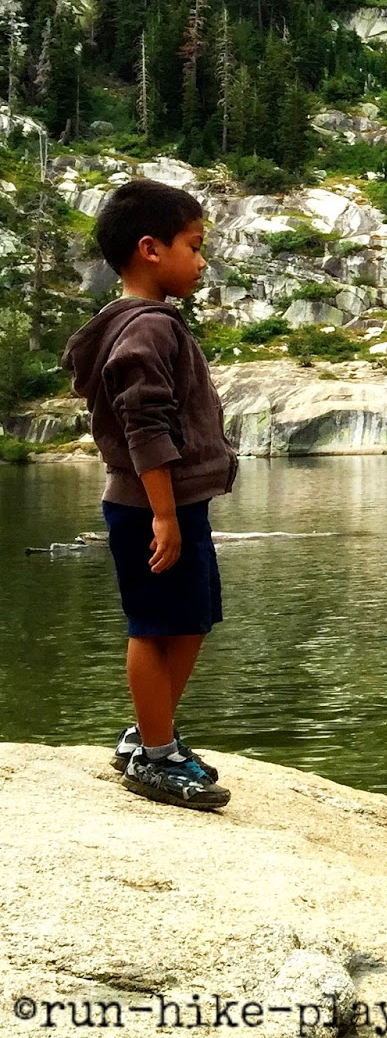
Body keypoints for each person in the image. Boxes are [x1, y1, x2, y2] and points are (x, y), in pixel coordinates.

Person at [62, 178, 238, 811]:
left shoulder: (151, 323)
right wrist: (163, 513)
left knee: (189, 620)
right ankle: (154, 754)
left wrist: (177, 510)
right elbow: (144, 424)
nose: (202, 260)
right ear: (150, 249)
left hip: (176, 507)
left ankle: (150, 732)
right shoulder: (148, 329)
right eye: (194, 245)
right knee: (155, 624)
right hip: (151, 508)